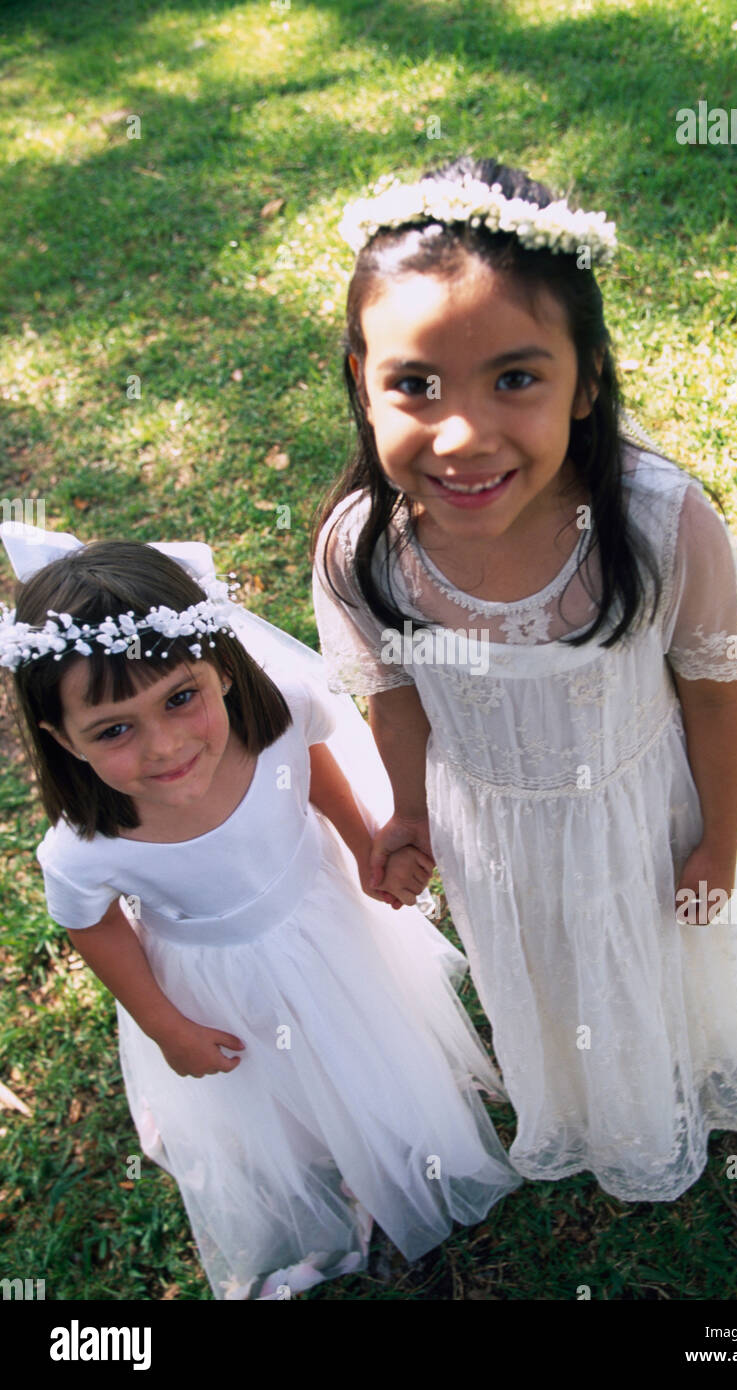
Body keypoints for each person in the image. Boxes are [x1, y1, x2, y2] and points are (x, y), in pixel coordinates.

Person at [311, 154, 737, 1204]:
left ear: (586, 379)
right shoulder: (365, 546)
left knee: (650, 966)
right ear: (361, 376)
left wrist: (716, 841)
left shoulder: (656, 525)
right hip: (492, 826)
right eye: (414, 383)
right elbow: (394, 689)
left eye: (515, 378)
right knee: (545, 973)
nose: (462, 433)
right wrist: (408, 811)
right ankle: (581, 1100)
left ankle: (669, 1089)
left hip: (641, 814)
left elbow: (714, 691)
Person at [0, 520, 521, 1299]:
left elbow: (312, 775)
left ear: (220, 668)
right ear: (61, 739)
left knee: (368, 1036)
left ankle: (401, 1143)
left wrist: (362, 842)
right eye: (114, 729)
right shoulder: (86, 847)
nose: (164, 746)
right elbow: (91, 923)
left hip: (325, 923)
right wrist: (164, 1023)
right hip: (216, 984)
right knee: (278, 1100)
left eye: (181, 698)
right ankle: (325, 1167)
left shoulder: (276, 715)